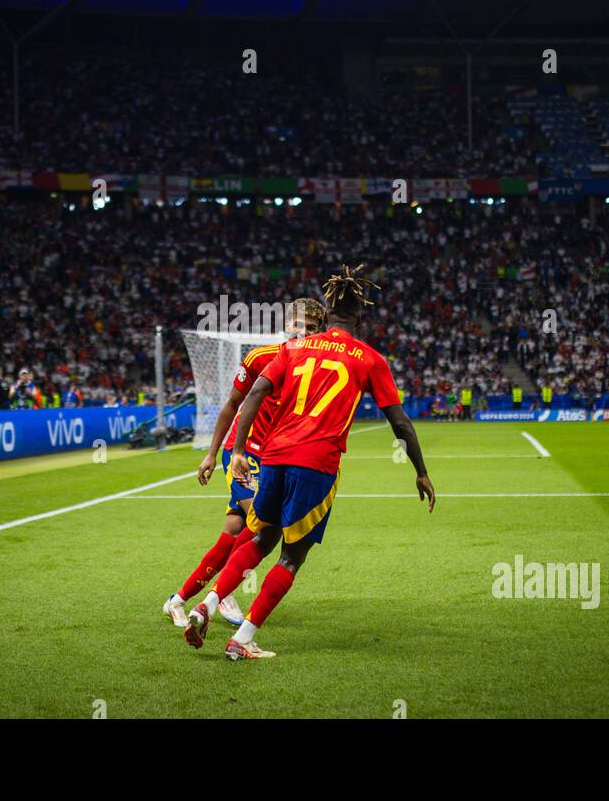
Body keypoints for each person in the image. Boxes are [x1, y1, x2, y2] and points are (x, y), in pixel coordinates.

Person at [183, 266, 435, 660]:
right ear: (359, 316)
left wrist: (237, 452)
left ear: (328, 310)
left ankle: (206, 605)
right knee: (291, 555)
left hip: (273, 456)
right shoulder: (369, 359)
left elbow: (251, 396)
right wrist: (420, 470)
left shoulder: (292, 349)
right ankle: (243, 639)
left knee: (260, 537)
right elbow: (399, 421)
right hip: (315, 464)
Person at [162, 297, 326, 629]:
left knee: (233, 532)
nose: (303, 331)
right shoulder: (262, 358)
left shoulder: (320, 366)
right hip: (242, 453)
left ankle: (178, 599)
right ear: (286, 324)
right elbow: (232, 404)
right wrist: (212, 453)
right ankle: (223, 591)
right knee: (262, 527)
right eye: (297, 324)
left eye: (311, 327)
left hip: (272, 459)